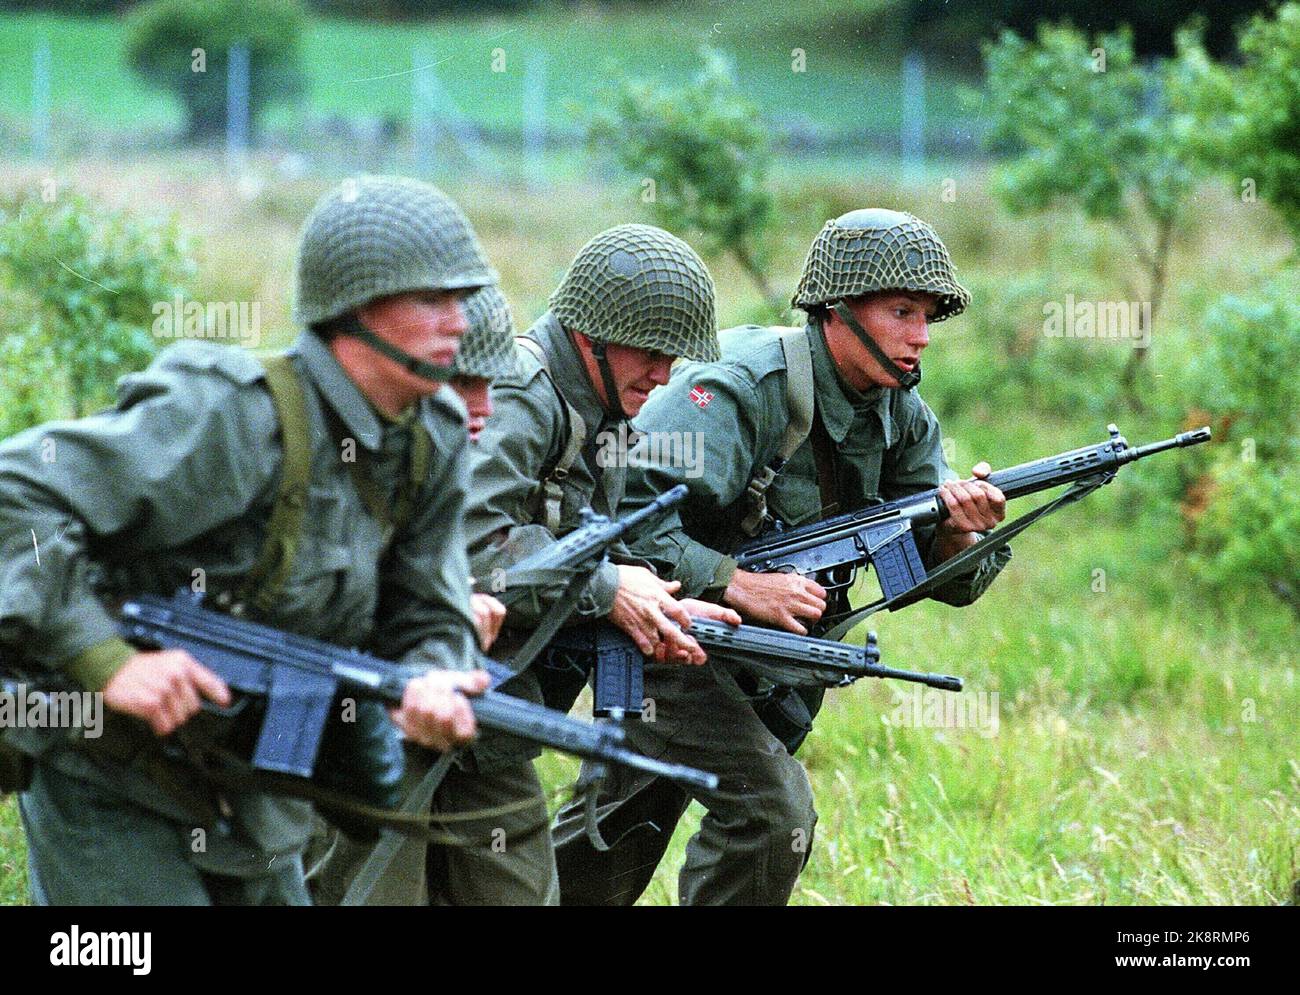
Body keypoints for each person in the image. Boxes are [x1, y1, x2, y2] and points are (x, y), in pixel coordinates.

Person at [0, 174, 494, 905]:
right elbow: (17, 494)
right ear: (355, 304)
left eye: (463, 298)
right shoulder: (233, 413)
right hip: (112, 770)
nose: (460, 321)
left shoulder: (435, 441)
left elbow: (430, 608)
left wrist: (429, 675)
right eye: (432, 298)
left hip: (257, 788)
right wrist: (104, 660)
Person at [552, 208, 1014, 905]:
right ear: (835, 311)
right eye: (900, 311)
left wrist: (957, 536)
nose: (920, 336)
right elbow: (614, 519)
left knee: (617, 831)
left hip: (766, 666)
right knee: (772, 817)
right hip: (669, 631)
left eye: (927, 316)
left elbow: (935, 574)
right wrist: (737, 582)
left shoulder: (901, 414)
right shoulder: (745, 386)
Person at [422, 224, 741, 905]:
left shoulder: (601, 412)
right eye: (652, 352)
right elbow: (469, 546)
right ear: (593, 334)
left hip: (490, 715)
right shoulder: (525, 395)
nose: (664, 375)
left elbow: (594, 541)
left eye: (674, 357)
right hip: (415, 691)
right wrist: (606, 587)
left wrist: (655, 598)